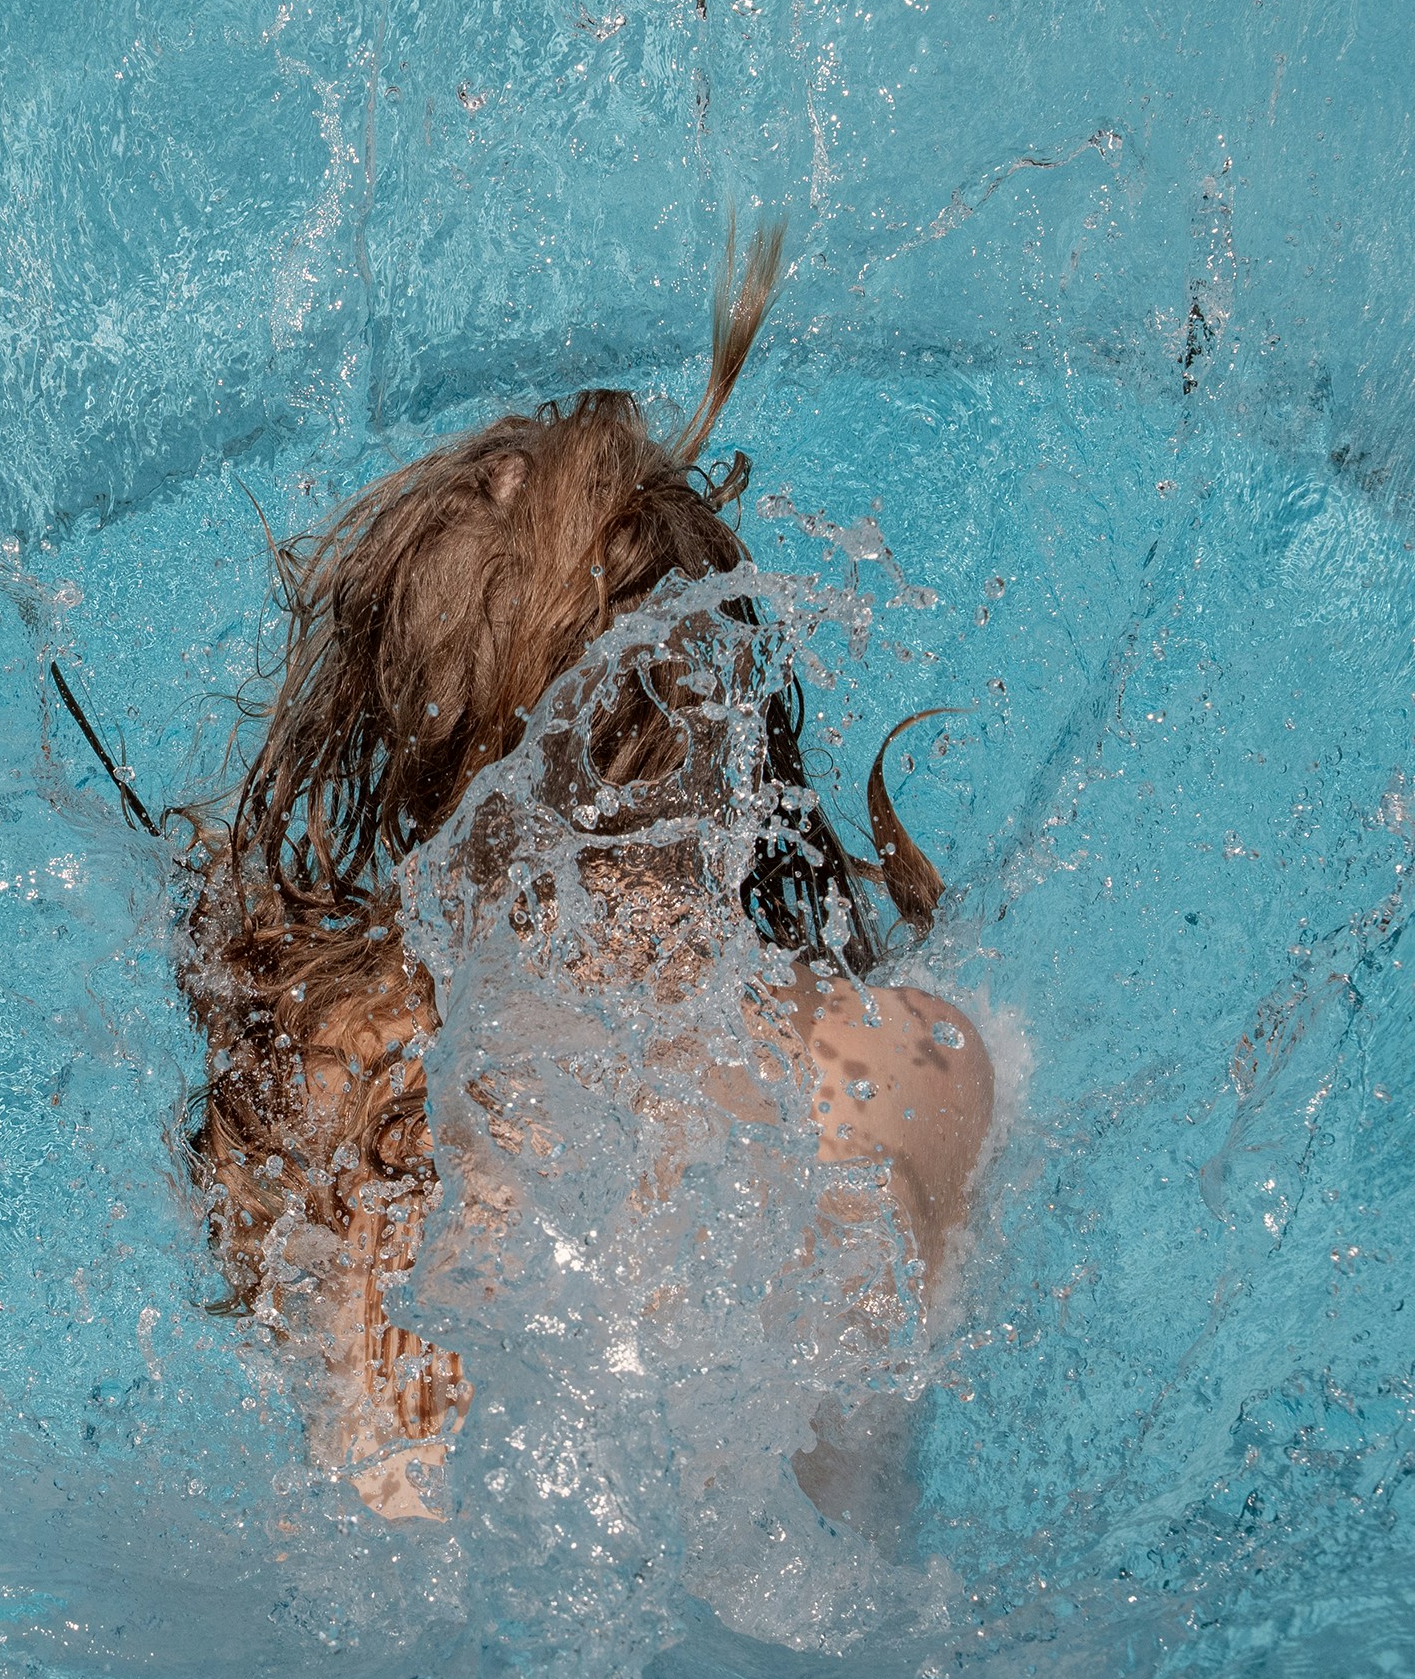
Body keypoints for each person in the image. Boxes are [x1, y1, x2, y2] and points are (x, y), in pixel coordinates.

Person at [173, 228, 995, 1521]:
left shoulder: (328, 1059)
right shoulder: (902, 1069)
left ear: (412, 757)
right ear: (719, 708)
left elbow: (354, 1467)